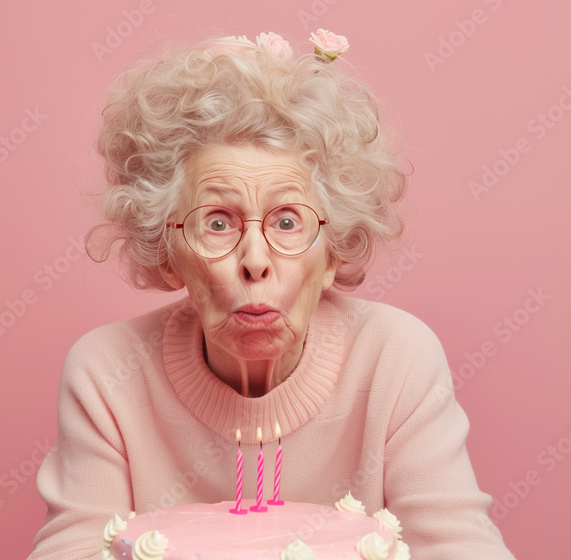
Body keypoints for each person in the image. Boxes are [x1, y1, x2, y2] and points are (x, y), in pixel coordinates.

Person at [27, 30, 517, 559]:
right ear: (169, 255)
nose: (256, 260)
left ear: (332, 253)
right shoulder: (107, 373)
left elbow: (462, 549)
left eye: (287, 221)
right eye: (217, 222)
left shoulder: (395, 359)